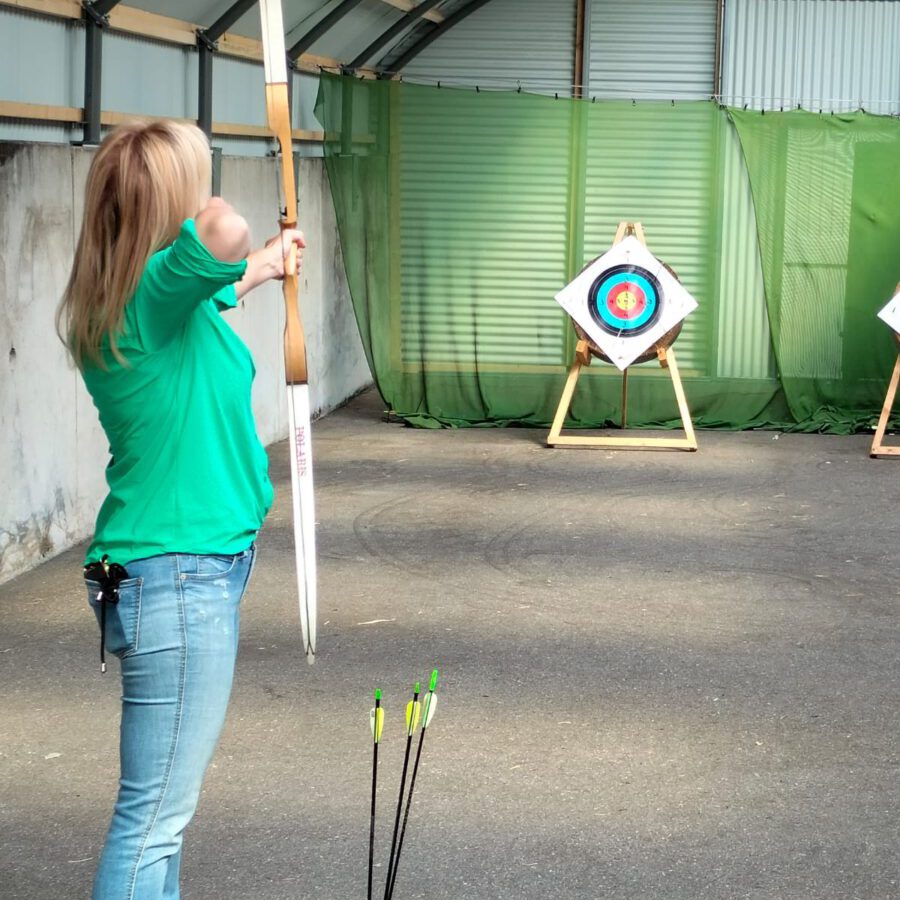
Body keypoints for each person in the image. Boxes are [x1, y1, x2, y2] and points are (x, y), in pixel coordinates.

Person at [57, 119, 305, 900]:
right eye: (193, 179)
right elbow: (222, 228)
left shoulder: (130, 297)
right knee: (154, 817)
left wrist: (262, 268)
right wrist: (214, 216)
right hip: (180, 575)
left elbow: (211, 287)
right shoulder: (157, 292)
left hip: (165, 568)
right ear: (171, 207)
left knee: (163, 815)